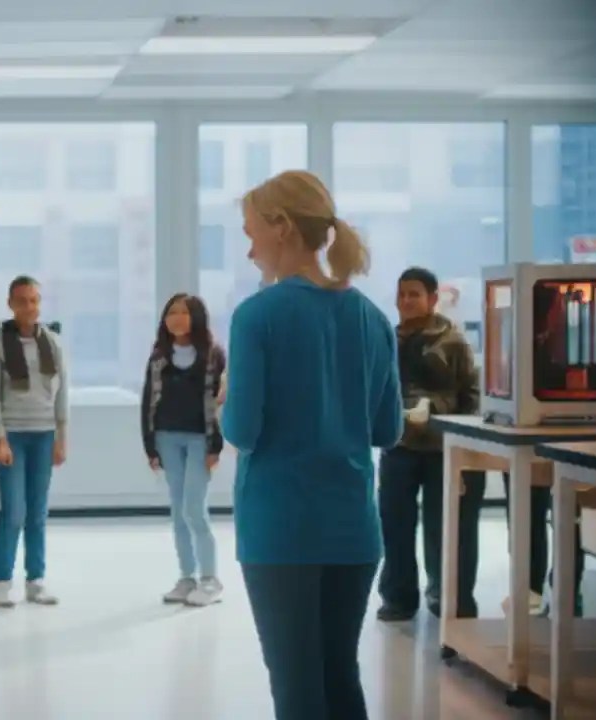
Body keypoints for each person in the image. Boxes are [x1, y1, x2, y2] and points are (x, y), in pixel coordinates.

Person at [222, 170, 402, 720]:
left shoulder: (257, 316)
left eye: (251, 231)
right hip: (352, 529)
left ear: (281, 229)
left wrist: (226, 396)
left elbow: (241, 432)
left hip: (281, 531)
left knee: (297, 687)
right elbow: (387, 431)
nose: (249, 247)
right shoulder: (372, 318)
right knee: (339, 678)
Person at [376, 267, 486, 622]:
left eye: (415, 294)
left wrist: (436, 411)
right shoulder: (387, 340)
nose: (407, 301)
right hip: (398, 446)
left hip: (443, 449)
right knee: (394, 525)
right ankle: (398, 597)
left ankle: (447, 594)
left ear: (433, 298)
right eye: (402, 294)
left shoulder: (452, 342)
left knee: (446, 528)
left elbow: (471, 396)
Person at [0, 276, 69, 609]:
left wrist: (62, 438)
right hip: (13, 437)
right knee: (13, 511)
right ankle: (2, 581)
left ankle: (36, 579)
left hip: (45, 434)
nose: (29, 307)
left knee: (37, 512)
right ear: (10, 304)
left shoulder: (55, 343)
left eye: (34, 300)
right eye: (22, 301)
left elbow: (63, 394)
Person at [141, 293, 226, 606]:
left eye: (183, 312)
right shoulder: (158, 356)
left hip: (199, 439)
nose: (176, 318)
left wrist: (216, 445)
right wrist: (149, 445)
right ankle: (187, 577)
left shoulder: (213, 355)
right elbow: (148, 401)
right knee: (178, 511)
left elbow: (220, 402)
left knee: (194, 507)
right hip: (166, 437)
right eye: (171, 312)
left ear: (197, 317)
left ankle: (210, 579)